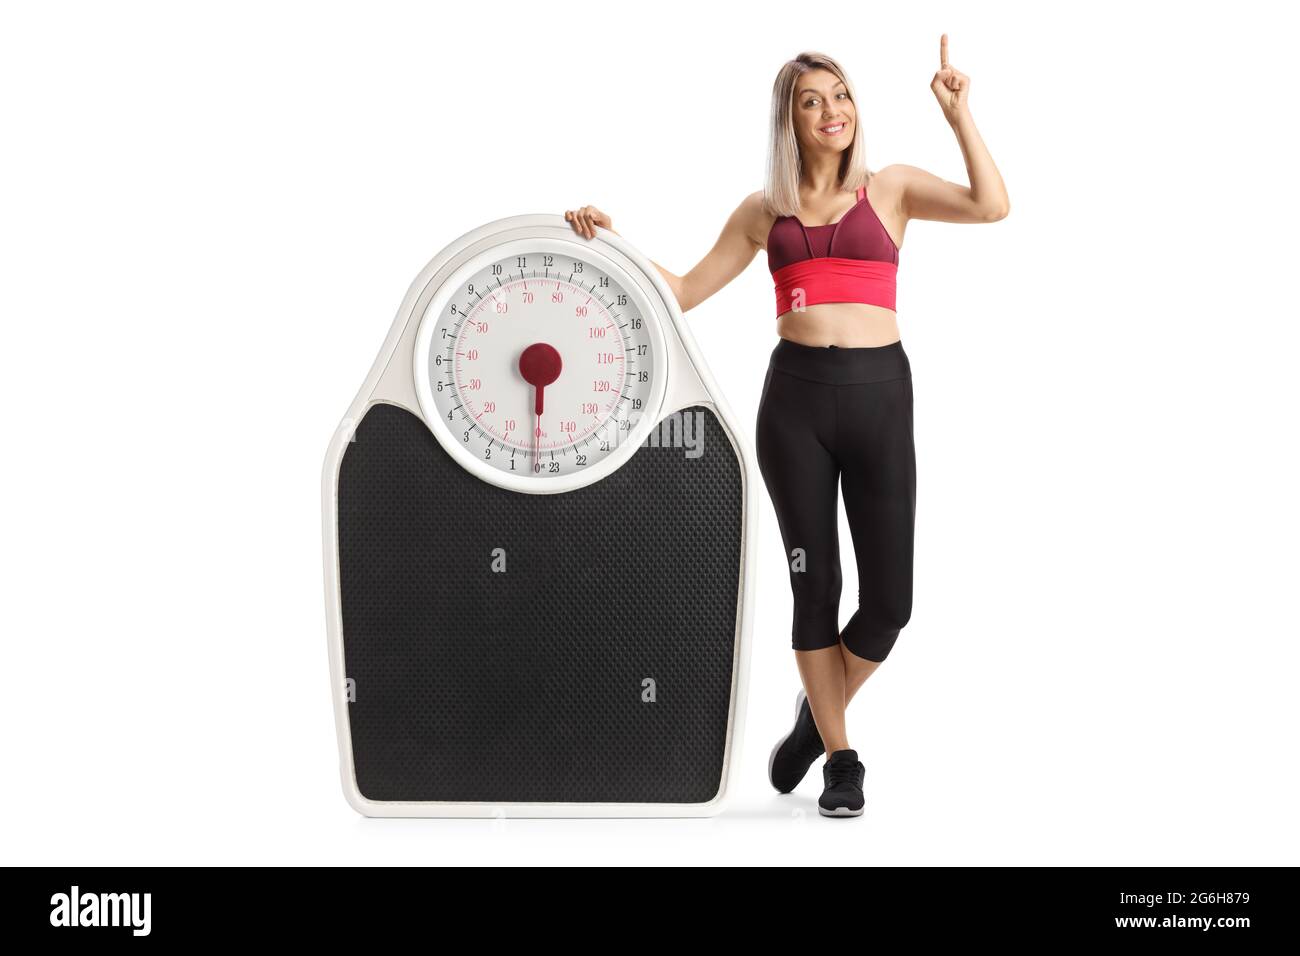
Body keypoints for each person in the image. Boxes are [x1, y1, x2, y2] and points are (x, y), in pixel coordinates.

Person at [565, 36, 1009, 818]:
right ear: (790, 120)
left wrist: (959, 113)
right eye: (812, 101)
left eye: (840, 96)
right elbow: (683, 290)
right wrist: (610, 239)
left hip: (881, 397)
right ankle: (843, 759)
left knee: (890, 606)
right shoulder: (764, 211)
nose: (831, 111)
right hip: (795, 406)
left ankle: (815, 713)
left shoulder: (893, 188)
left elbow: (991, 205)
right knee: (817, 588)